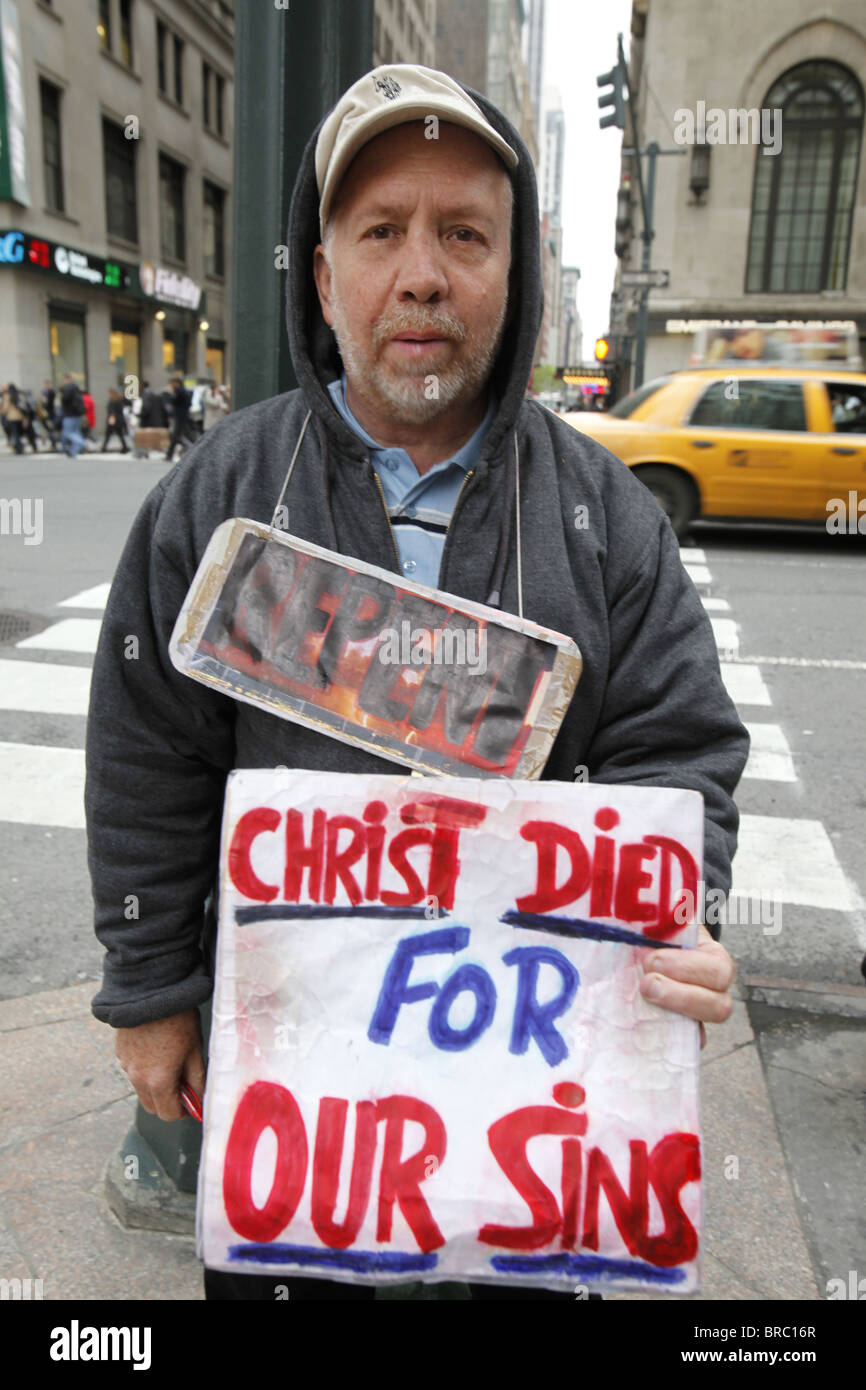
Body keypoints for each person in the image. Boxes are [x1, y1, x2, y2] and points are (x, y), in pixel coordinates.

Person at [85, 65, 749, 1302]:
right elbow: (148, 750)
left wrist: (683, 902)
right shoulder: (218, 490)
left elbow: (681, 745)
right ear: (323, 272)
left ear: (519, 272)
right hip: (300, 1118)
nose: (423, 274)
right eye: (380, 232)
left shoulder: (606, 516)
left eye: (463, 234)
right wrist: (149, 990)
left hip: (526, 1135)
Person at [164, 373, 192, 460]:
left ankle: (169, 455)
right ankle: (170, 454)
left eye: (172, 383)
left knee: (177, 436)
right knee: (185, 435)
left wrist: (171, 392)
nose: (171, 385)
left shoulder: (179, 391)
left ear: (176, 383)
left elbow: (173, 400)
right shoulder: (184, 390)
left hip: (180, 416)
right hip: (183, 416)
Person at [59, 373, 86, 457]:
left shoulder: (67, 389)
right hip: (77, 414)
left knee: (68, 433)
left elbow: (64, 401)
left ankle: (82, 443)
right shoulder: (76, 388)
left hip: (69, 414)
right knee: (76, 432)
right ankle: (73, 452)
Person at [102, 388, 130, 454]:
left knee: (108, 435)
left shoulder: (112, 401)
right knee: (120, 435)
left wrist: (111, 419)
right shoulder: (119, 400)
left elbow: (111, 411)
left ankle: (104, 448)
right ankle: (125, 447)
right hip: (119, 421)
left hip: (113, 421)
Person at [0, 383, 25, 453]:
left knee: (15, 433)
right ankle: (20, 446)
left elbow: (5, 408)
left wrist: (2, 411)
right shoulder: (19, 394)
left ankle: (18, 448)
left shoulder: (7, 396)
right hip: (20, 417)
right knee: (19, 433)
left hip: (12, 417)